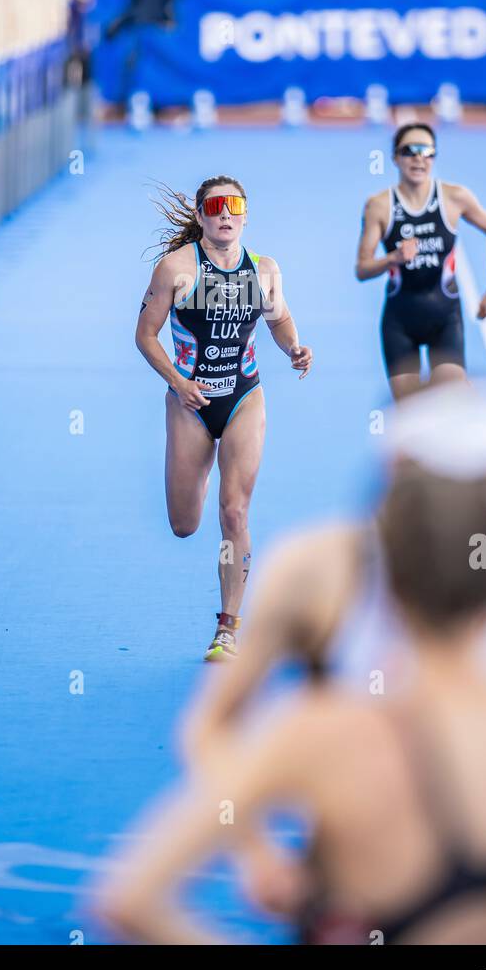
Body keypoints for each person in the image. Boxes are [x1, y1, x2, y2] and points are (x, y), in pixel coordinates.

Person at [93, 396, 486, 944]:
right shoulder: (318, 575)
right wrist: (256, 850)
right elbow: (211, 723)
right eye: (475, 474)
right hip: (366, 861)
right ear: (402, 474)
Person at [136, 175, 312, 662]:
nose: (225, 213)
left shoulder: (265, 270)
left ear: (246, 214)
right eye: (215, 206)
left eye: (234, 205)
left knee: (235, 513)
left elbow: (278, 320)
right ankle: (202, 467)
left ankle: (228, 629)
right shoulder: (175, 269)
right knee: (184, 524)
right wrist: (178, 381)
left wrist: (295, 348)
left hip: (242, 398)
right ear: (200, 216)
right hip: (190, 404)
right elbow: (145, 336)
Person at [356, 122, 486, 399]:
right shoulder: (379, 206)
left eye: (426, 151)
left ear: (434, 156)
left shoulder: (454, 197)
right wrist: (394, 258)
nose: (418, 158)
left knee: (450, 403)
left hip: (445, 319)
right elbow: (362, 269)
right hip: (400, 322)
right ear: (395, 158)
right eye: (409, 151)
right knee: (409, 411)